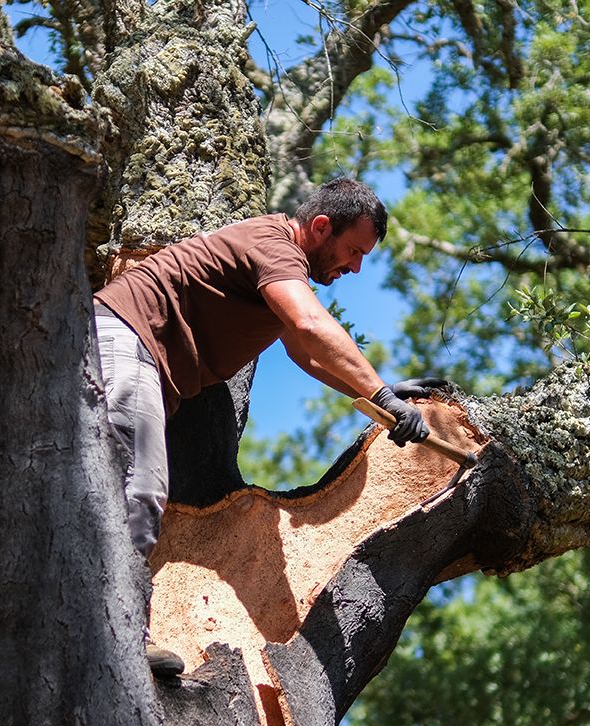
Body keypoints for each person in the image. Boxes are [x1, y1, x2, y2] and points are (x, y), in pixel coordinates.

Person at [92, 177, 430, 677]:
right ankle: (116, 636)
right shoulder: (276, 246)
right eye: (353, 251)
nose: (356, 267)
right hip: (123, 339)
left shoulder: (280, 264)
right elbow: (312, 327)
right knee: (138, 487)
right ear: (320, 226)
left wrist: (382, 396)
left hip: (130, 354)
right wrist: (379, 394)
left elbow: (307, 355)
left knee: (118, 488)